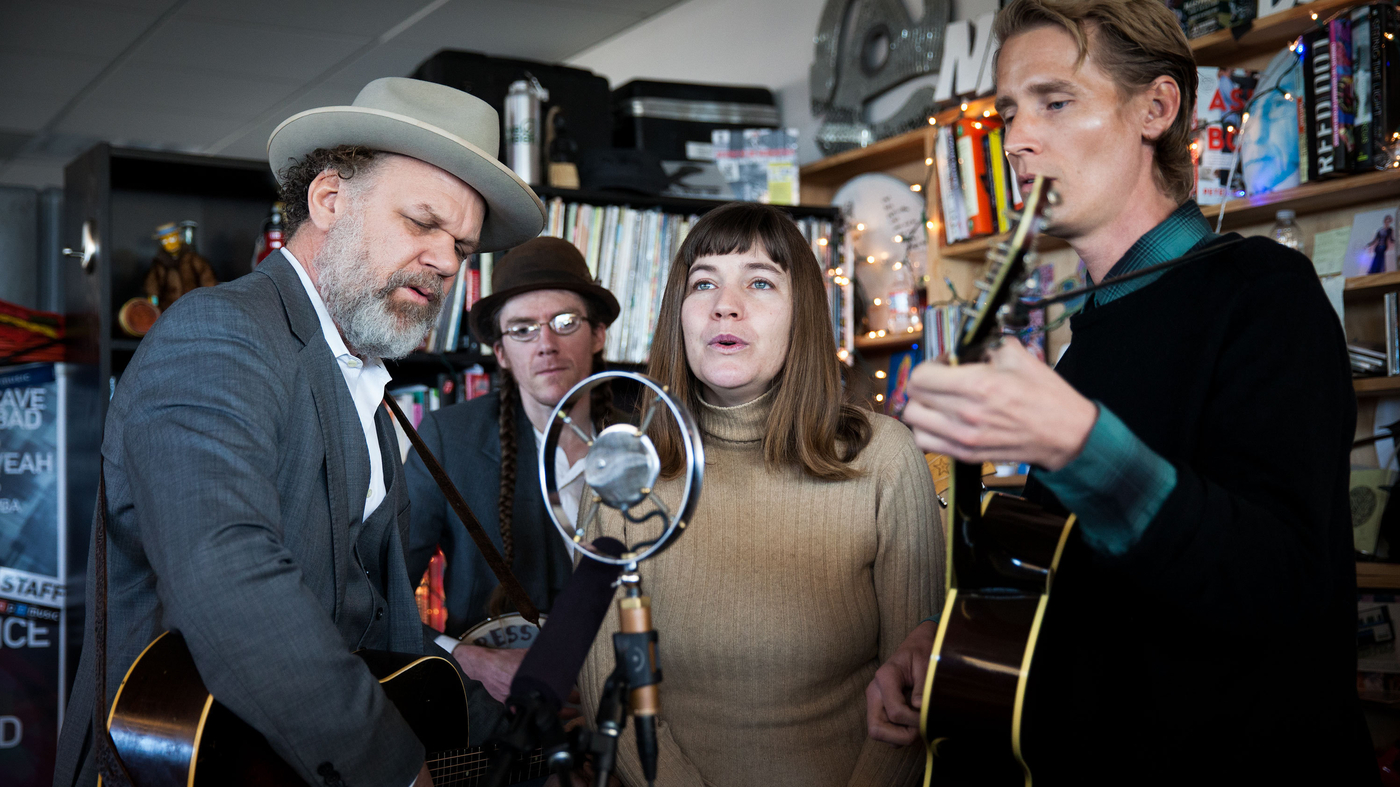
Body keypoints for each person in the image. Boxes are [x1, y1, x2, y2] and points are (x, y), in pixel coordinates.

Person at [865, 1, 1374, 783]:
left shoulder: (1264, 293)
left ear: (1156, 108)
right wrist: (950, 641)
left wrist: (1082, 444)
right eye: (1008, 113)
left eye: (1055, 102)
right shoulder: (1086, 343)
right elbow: (1081, 591)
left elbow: (1285, 585)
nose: (1018, 139)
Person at [53, 77, 546, 787]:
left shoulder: (366, 381)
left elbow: (367, 622)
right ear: (329, 200)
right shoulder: (219, 334)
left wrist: (491, 687)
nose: (445, 261)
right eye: (421, 223)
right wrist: (394, 770)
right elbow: (229, 578)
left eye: (463, 246)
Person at [578, 202, 942, 787]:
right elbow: (607, 689)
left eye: (759, 281)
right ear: (679, 315)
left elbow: (912, 701)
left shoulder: (885, 459)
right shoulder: (624, 470)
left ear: (803, 315)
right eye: (704, 283)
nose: (726, 303)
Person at [406, 236, 619, 703]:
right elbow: (381, 598)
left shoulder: (649, 437)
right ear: (500, 353)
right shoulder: (448, 440)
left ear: (598, 334)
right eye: (522, 329)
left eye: (565, 322)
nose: (545, 344)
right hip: (500, 724)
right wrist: (468, 659)